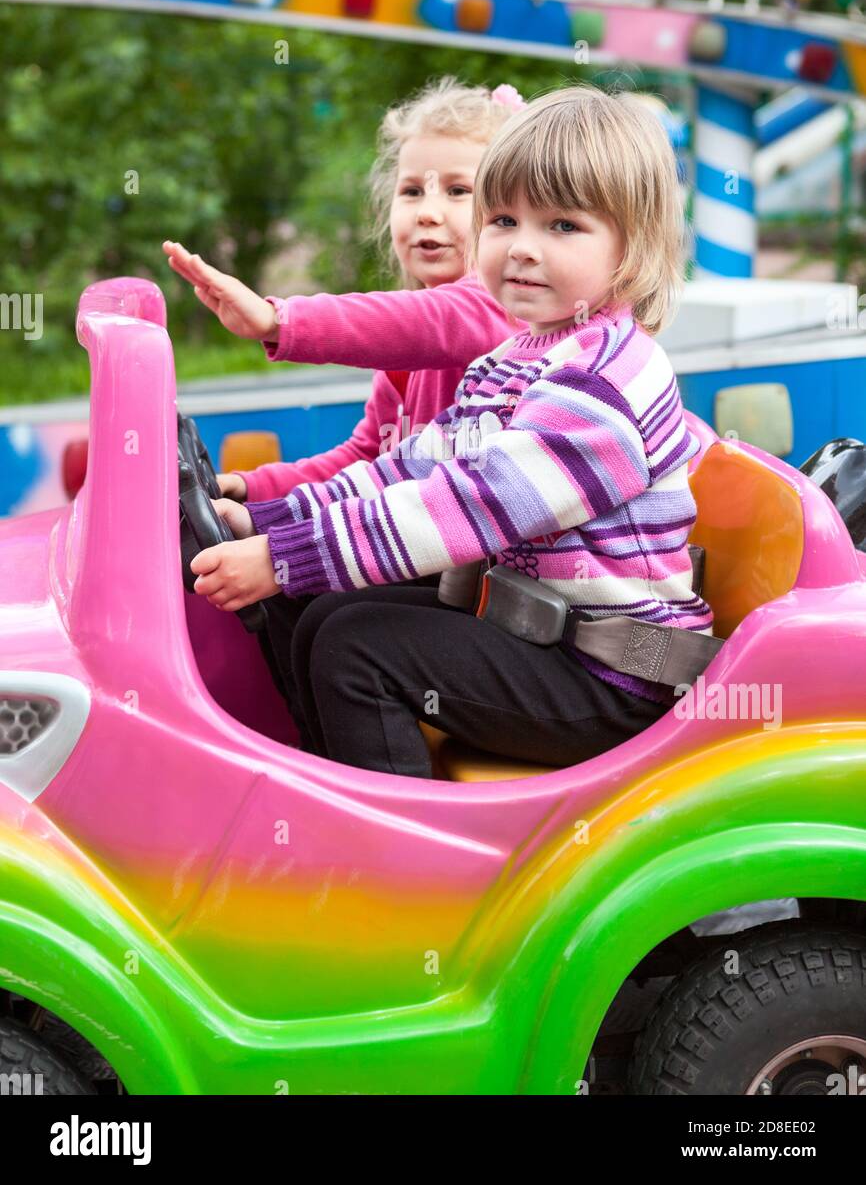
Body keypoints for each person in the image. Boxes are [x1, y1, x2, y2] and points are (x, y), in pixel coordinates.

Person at [190, 83, 714, 778]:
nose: (523, 249)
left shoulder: (604, 379)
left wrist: (286, 553)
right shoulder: (515, 357)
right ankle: (326, 793)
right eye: (502, 221)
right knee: (316, 607)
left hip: (612, 675)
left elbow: (469, 505)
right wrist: (268, 519)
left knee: (356, 648)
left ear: (632, 244)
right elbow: (409, 468)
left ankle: (401, 864)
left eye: (562, 226)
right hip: (544, 631)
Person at [164, 77, 525, 713]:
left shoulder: (500, 312)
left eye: (458, 191)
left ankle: (352, 774)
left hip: (488, 574)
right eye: (411, 190)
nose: (428, 211)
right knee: (287, 590)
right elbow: (364, 461)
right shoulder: (410, 354)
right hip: (431, 551)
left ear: (506, 219)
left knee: (314, 601)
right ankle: (315, 751)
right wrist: (244, 488)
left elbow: (421, 324)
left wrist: (279, 321)